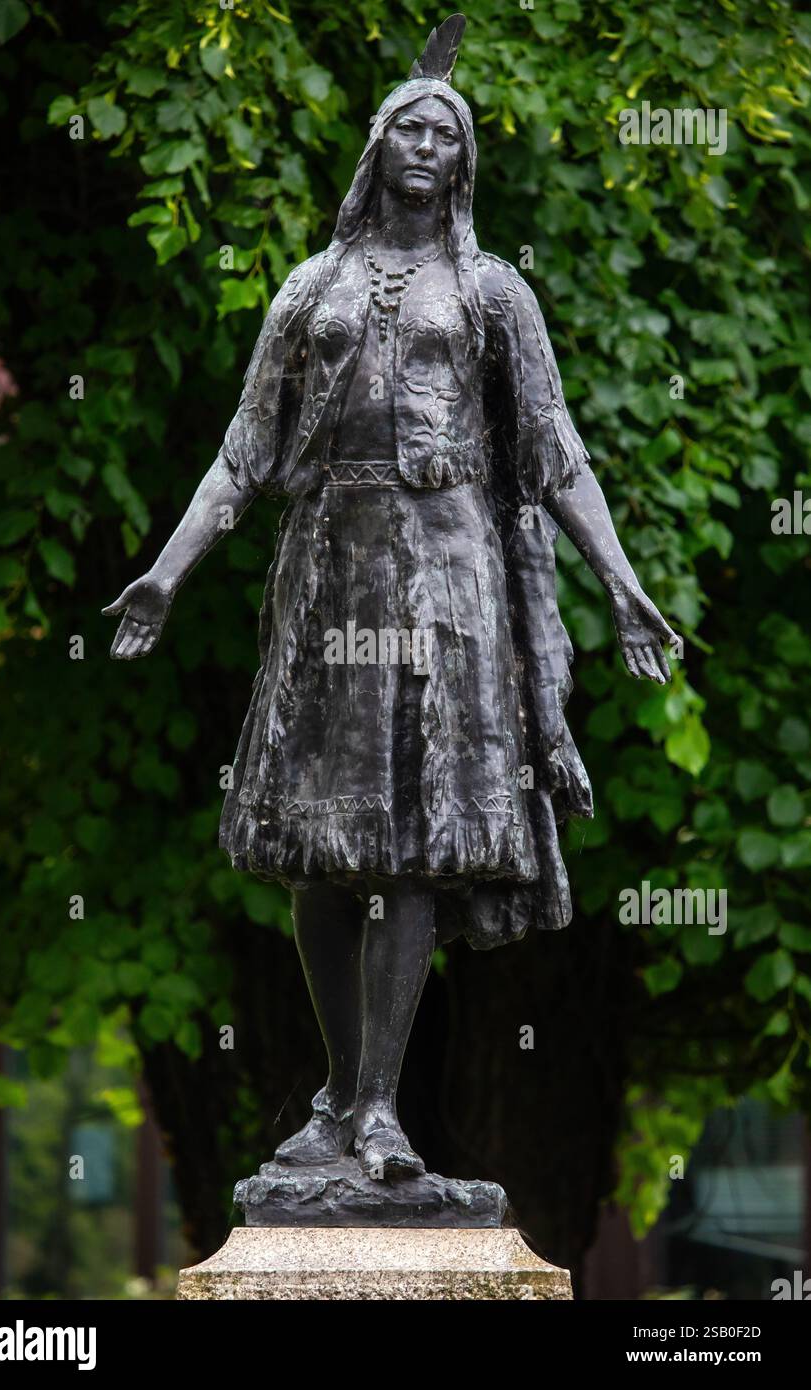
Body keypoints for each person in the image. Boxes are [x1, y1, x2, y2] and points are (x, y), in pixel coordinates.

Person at [104, 15, 676, 1182]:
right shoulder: (311, 286)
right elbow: (241, 454)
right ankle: (338, 1093)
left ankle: (373, 1112)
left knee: (409, 844)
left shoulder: (492, 292)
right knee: (323, 844)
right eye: (406, 126)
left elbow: (553, 449)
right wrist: (166, 573)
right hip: (326, 569)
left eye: (442, 130)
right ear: (377, 147)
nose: (424, 143)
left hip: (447, 570)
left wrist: (621, 587)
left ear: (462, 161)